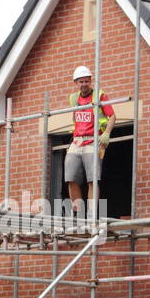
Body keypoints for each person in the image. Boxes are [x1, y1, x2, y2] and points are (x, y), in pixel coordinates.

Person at [64, 65, 115, 215]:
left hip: (93, 140)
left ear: (90, 81)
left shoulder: (99, 96)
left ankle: (91, 214)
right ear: (76, 83)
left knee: (92, 179)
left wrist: (106, 133)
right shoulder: (73, 98)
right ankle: (78, 213)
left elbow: (112, 116)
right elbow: (76, 117)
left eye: (87, 81)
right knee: (70, 176)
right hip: (77, 141)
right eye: (81, 82)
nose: (84, 84)